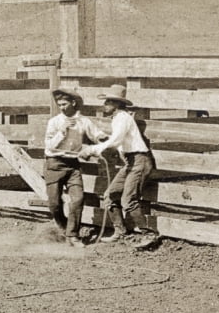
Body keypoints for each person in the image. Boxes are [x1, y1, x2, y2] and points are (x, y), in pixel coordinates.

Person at [79, 83, 159, 249]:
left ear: (116, 104)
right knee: (110, 195)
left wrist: (92, 149)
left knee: (128, 199)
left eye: (108, 102)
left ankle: (149, 233)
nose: (104, 105)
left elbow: (115, 141)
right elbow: (115, 140)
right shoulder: (118, 119)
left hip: (140, 161)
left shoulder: (123, 118)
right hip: (130, 162)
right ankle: (121, 231)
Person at [43, 87, 106, 247]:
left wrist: (102, 138)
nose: (62, 107)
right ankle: (63, 227)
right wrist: (62, 133)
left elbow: (96, 134)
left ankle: (73, 235)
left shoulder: (84, 121)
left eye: (64, 104)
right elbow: (49, 146)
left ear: (73, 102)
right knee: (54, 204)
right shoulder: (54, 122)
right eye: (59, 104)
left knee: (78, 199)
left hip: (73, 166)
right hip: (54, 164)